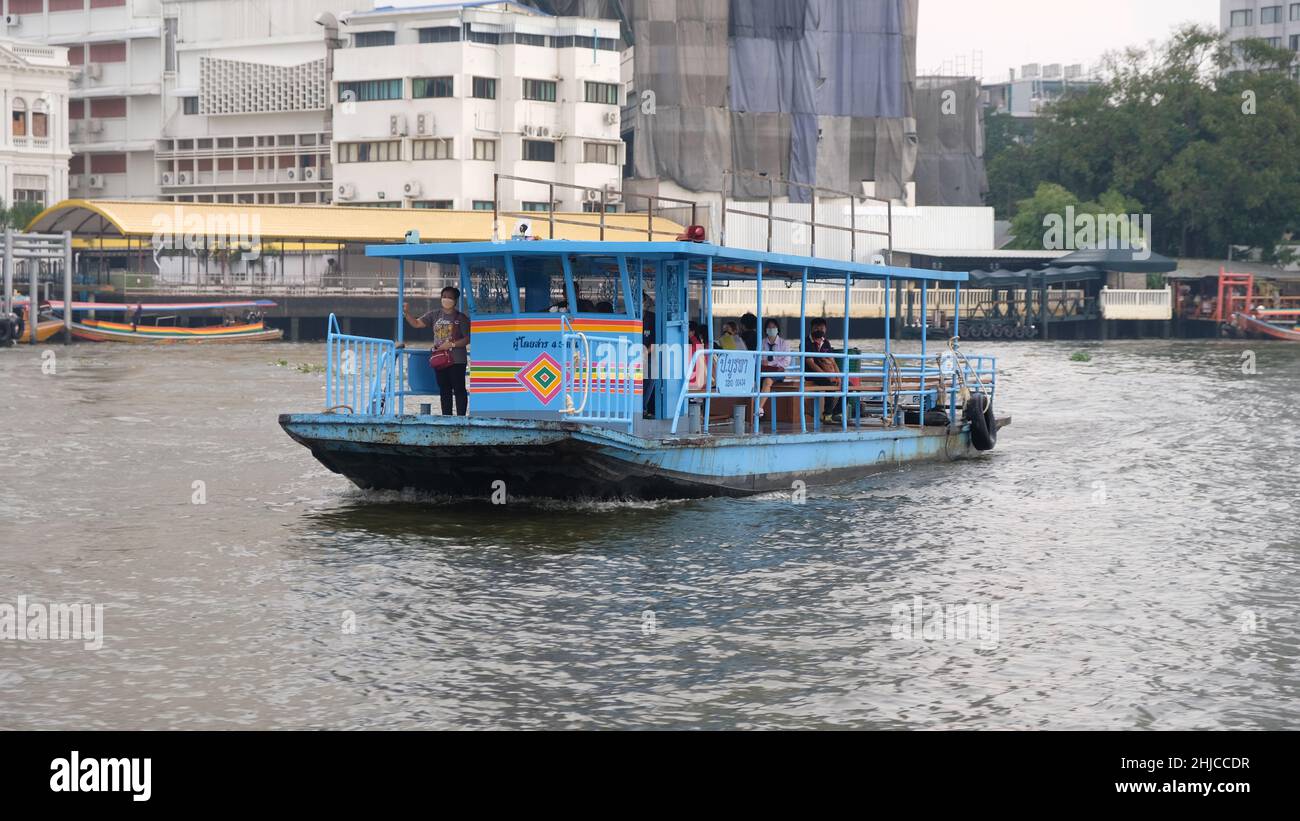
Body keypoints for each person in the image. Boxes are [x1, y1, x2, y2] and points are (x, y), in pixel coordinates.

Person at [404, 287, 470, 416]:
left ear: (455, 300)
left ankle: (461, 417)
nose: (446, 299)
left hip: (457, 360)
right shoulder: (434, 314)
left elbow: (468, 338)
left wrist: (451, 344)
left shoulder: (461, 318)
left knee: (459, 389)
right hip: (440, 359)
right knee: (444, 390)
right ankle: (446, 417)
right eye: (444, 296)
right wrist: (407, 313)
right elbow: (417, 324)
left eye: (450, 297)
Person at [805, 318, 842, 423]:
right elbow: (810, 363)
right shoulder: (806, 342)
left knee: (849, 385)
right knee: (830, 384)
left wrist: (839, 376)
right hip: (812, 374)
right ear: (811, 329)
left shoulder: (826, 343)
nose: (819, 330)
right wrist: (826, 375)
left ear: (825, 329)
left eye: (821, 327)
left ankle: (837, 413)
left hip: (827, 373)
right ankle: (827, 415)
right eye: (816, 327)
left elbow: (833, 362)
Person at [756, 319, 791, 421]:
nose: (771, 329)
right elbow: (758, 358)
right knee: (754, 382)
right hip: (763, 370)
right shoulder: (761, 343)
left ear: (777, 329)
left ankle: (759, 409)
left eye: (773, 327)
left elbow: (786, 360)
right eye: (769, 327)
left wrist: (772, 364)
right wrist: (764, 362)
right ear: (765, 330)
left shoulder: (784, 343)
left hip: (777, 372)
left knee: (767, 381)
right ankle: (753, 412)